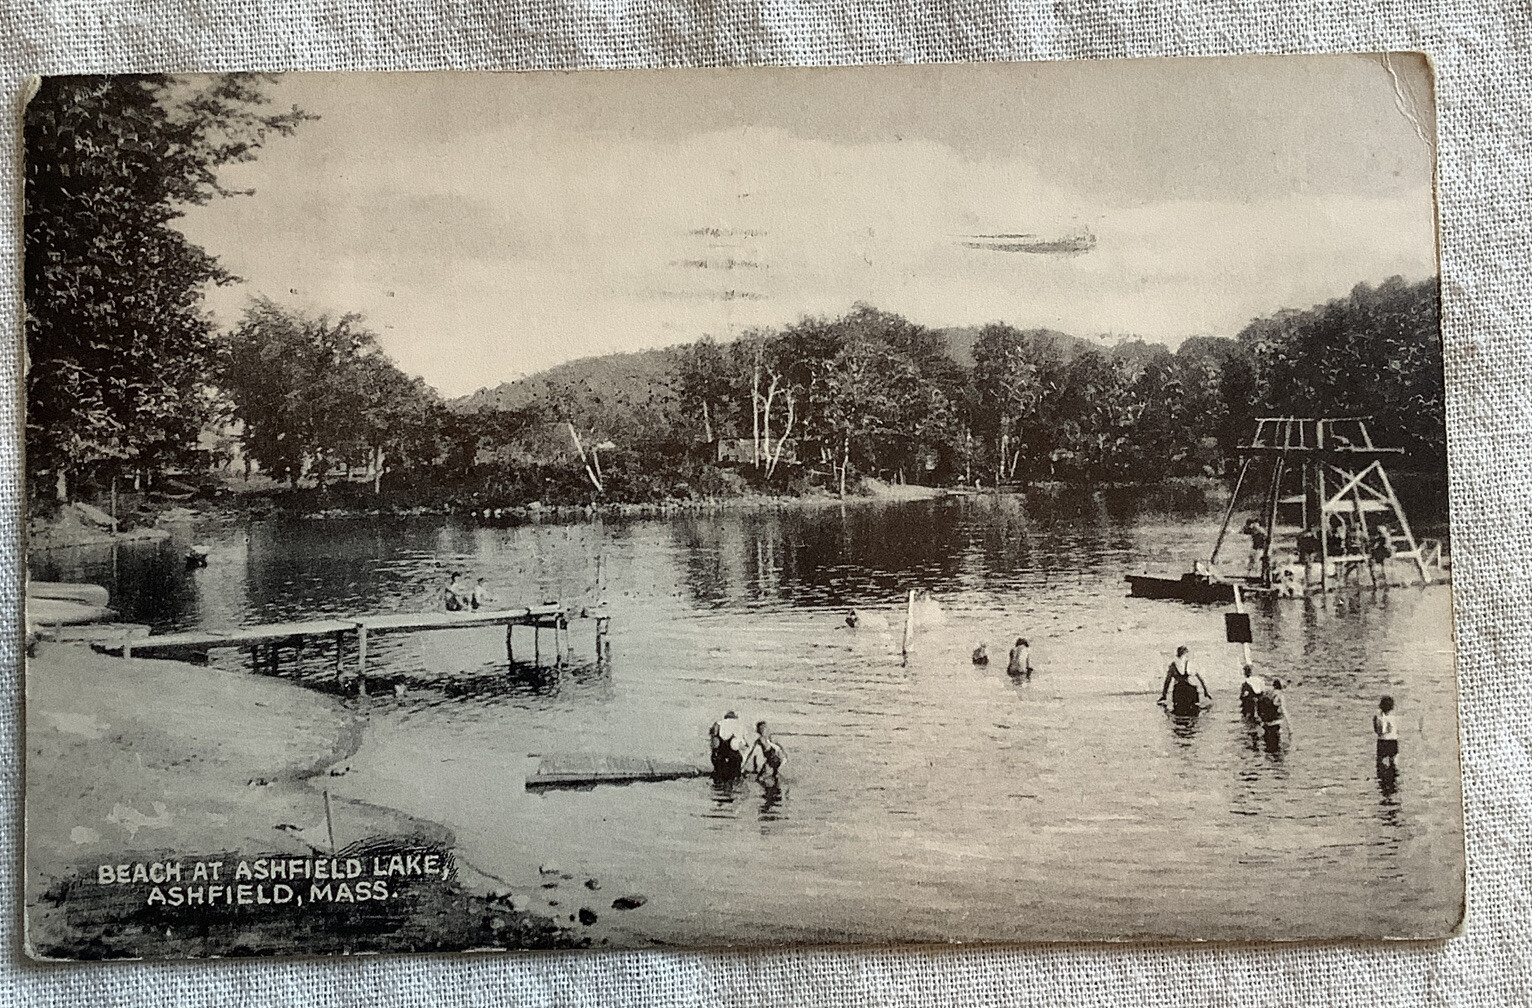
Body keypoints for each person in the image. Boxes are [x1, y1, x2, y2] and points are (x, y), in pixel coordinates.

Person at [1158, 645, 1210, 715]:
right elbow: (1200, 678)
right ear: (1185, 654)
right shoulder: (1189, 664)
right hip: (1190, 691)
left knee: (1176, 711)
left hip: (1178, 692)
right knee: (1195, 710)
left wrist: (1164, 695)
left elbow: (1167, 681)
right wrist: (1205, 692)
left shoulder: (1173, 666)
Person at [709, 710, 749, 778]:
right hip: (733, 746)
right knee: (738, 756)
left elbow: (714, 735)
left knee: (717, 756)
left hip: (721, 746)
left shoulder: (719, 723)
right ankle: (739, 771)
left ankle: (717, 771)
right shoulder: (740, 724)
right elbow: (745, 740)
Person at [1255, 677, 1287, 747]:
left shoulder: (1268, 694)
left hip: (1266, 722)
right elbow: (1283, 709)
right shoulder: (1279, 695)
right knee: (1276, 746)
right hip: (1275, 722)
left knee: (1268, 744)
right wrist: (1290, 728)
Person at [1374, 695, 1399, 771]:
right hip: (1393, 740)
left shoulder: (1379, 718)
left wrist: (1375, 723)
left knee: (1380, 762)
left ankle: (1382, 778)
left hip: (1383, 741)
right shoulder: (1394, 718)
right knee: (1393, 762)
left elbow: (1379, 732)